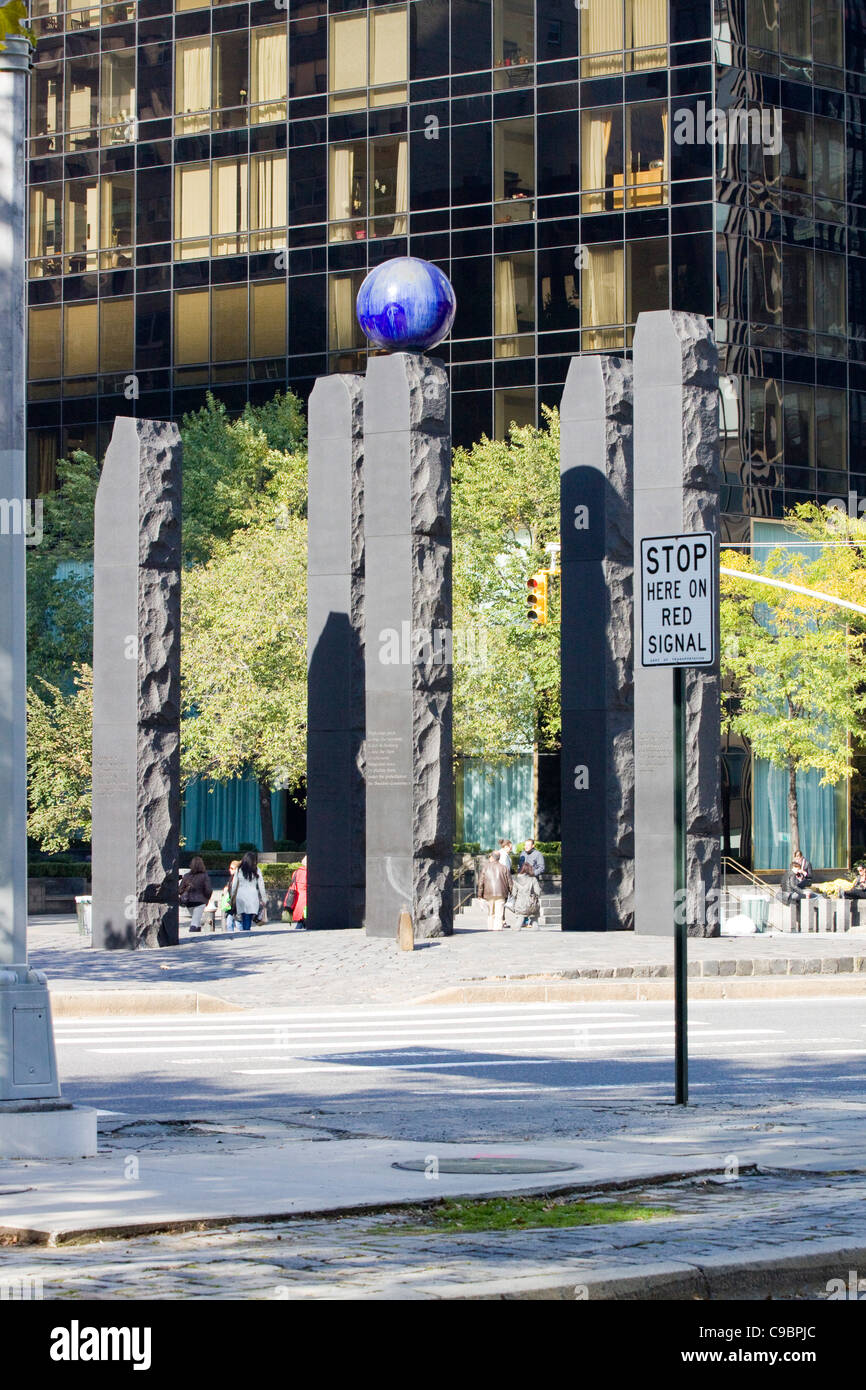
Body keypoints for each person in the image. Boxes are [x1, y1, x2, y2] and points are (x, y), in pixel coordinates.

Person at [230, 851, 267, 933]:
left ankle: (246, 930)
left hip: (241, 895)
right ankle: (247, 930)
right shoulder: (257, 870)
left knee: (244, 915)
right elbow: (261, 886)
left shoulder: (239, 870)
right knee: (249, 916)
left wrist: (232, 896)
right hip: (252, 896)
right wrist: (264, 898)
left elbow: (234, 884)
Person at [478, 851, 512, 931]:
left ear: (492, 857)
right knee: (499, 912)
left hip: (488, 893)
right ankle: (498, 927)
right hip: (501, 893)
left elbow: (481, 882)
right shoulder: (504, 868)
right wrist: (511, 892)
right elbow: (510, 882)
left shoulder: (485, 867)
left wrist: (480, 895)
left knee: (491, 912)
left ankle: (490, 927)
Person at [178, 856, 212, 933]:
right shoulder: (204, 876)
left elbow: (180, 890)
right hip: (200, 901)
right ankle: (193, 933)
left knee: (196, 920)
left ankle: (197, 932)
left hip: (188, 901)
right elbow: (208, 890)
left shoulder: (186, 876)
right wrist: (207, 899)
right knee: (195, 923)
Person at [504, 862, 541, 930]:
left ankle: (517, 927)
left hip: (520, 904)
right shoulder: (533, 879)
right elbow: (538, 892)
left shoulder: (516, 879)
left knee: (520, 916)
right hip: (532, 904)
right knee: (534, 918)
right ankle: (535, 927)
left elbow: (514, 893)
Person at [284, 856, 308, 929]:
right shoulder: (310, 873)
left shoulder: (296, 872)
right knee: (304, 919)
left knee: (301, 919)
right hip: (306, 899)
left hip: (297, 899)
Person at [221, 860, 240, 932]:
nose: (230, 870)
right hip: (230, 903)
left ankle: (243, 936)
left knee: (238, 924)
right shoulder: (231, 878)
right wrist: (226, 888)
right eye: (230, 868)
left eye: (232, 868)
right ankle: (230, 936)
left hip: (237, 904)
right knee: (229, 922)